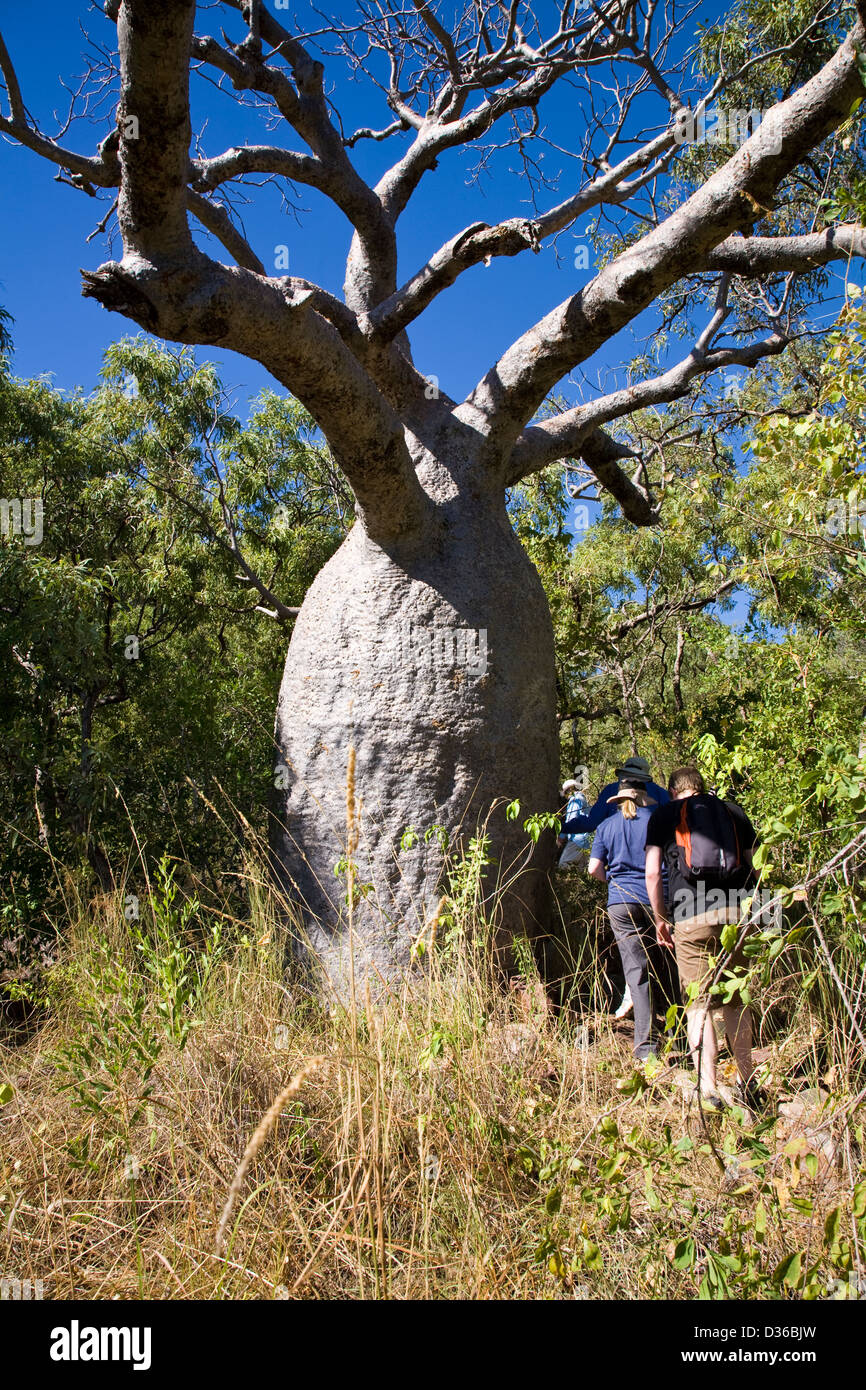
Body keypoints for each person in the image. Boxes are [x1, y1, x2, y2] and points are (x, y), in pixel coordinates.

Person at [644, 766, 764, 1112]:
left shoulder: (664, 815)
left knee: (698, 1003)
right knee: (735, 1000)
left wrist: (661, 919)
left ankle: (708, 1088)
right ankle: (746, 1080)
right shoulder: (733, 811)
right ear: (702, 788)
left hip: (690, 916)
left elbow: (653, 872)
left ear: (672, 792)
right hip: (735, 916)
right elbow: (756, 865)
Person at [587, 779, 671, 1063]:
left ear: (619, 799)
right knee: (665, 963)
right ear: (644, 797)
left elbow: (594, 868)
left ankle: (646, 1048)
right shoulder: (657, 822)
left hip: (621, 902)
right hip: (656, 899)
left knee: (637, 971)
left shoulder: (606, 826)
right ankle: (678, 1029)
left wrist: (613, 881)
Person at [562, 756, 670, 836]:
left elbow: (591, 823)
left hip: (617, 853)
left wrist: (560, 827)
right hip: (652, 852)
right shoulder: (661, 793)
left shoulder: (611, 790)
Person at [556, 779, 592, 870]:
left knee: (563, 864)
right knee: (582, 870)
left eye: (567, 792)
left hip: (577, 840)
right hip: (587, 840)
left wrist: (561, 837)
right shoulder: (583, 799)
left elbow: (571, 820)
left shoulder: (575, 799)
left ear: (570, 790)